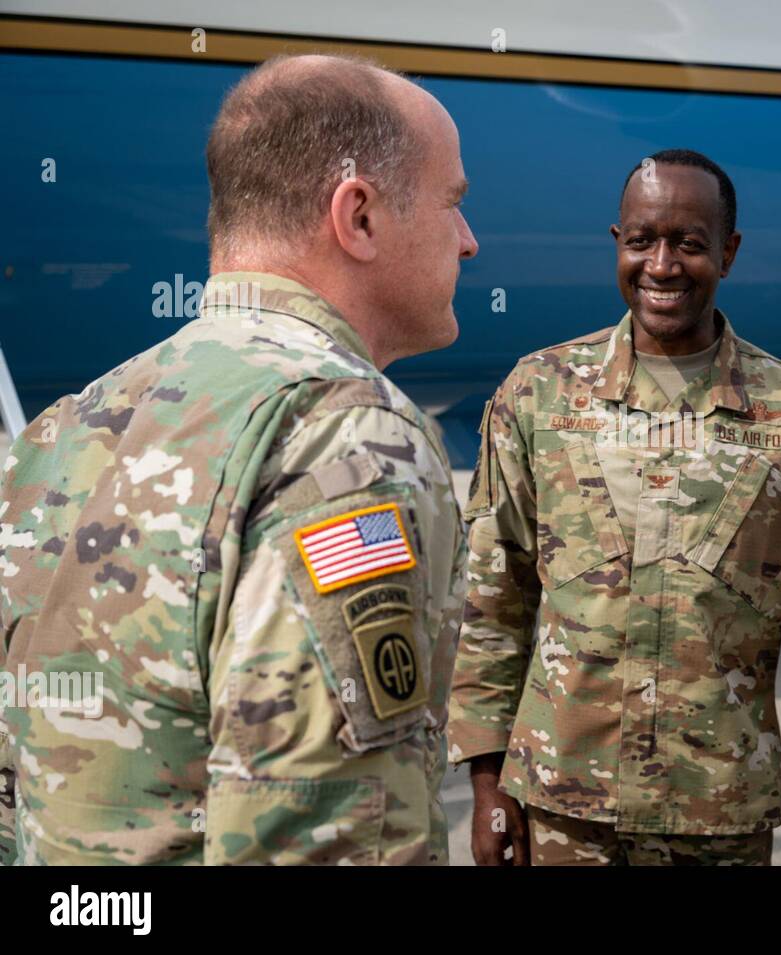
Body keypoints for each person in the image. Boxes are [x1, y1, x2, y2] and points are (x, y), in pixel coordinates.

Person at [0, 53, 477, 864]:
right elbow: (325, 834)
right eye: (453, 204)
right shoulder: (344, 434)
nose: (468, 242)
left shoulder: (65, 428)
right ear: (358, 215)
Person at [449, 149, 781, 865]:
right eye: (643, 240)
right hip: (561, 806)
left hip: (720, 814)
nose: (663, 265)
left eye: (689, 243)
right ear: (617, 242)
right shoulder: (538, 394)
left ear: (728, 253)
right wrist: (489, 782)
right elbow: (496, 598)